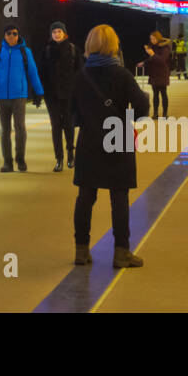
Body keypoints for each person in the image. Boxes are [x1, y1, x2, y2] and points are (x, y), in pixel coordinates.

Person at [70, 24, 151, 269]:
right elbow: (141, 108)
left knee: (85, 197)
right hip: (118, 138)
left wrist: (88, 122)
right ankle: (121, 252)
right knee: (119, 197)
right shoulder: (122, 75)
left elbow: (72, 112)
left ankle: (81, 250)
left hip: (88, 142)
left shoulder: (81, 75)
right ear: (113, 46)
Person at [0, 25, 44, 172]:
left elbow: (33, 72)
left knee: (20, 128)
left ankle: (20, 159)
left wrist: (38, 92)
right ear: (4, 36)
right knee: (5, 130)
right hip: (1, 97)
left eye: (14, 34)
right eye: (8, 33)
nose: (11, 36)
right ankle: (7, 162)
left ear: (18, 36)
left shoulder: (25, 52)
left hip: (19, 96)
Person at [40, 21, 79, 172]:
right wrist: (41, 92)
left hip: (69, 94)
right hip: (52, 95)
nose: (57, 34)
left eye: (59, 32)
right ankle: (59, 158)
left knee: (68, 125)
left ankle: (70, 153)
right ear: (51, 34)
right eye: (54, 32)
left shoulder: (73, 49)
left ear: (64, 33)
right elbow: (41, 73)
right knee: (55, 126)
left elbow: (80, 71)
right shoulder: (47, 51)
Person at [143, 30, 172, 119]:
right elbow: (152, 60)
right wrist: (144, 62)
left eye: (154, 39)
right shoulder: (153, 47)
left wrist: (152, 53)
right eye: (151, 39)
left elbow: (162, 60)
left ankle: (165, 114)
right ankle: (155, 113)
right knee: (155, 94)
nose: (152, 40)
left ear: (158, 38)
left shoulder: (165, 48)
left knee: (163, 93)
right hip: (154, 74)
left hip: (162, 73)